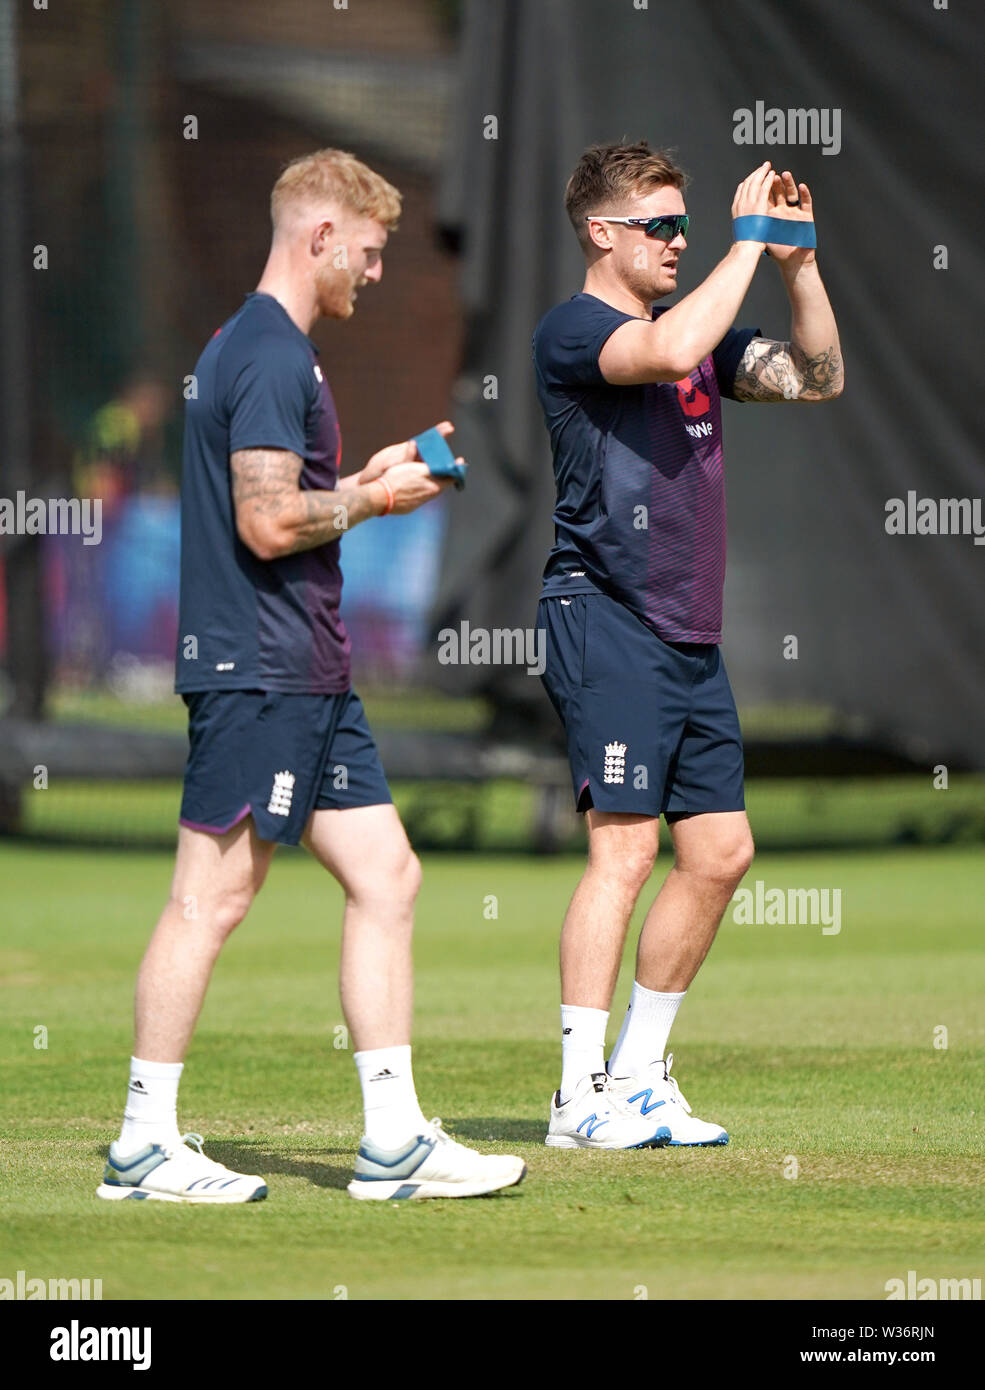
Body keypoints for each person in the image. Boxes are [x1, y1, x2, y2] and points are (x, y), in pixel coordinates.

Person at [97, 148, 525, 1203]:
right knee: (210, 897)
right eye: (369, 253)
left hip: (313, 673)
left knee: (388, 877)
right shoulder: (270, 353)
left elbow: (292, 492)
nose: (374, 274)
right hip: (261, 668)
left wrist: (365, 475)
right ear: (320, 235)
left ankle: (393, 1143)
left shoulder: (268, 351)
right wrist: (374, 504)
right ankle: (143, 1145)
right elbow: (267, 517)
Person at [532, 141, 843, 1149]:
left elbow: (817, 376)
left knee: (719, 850)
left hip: (686, 633)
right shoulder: (577, 331)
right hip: (606, 615)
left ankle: (638, 1077)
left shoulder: (696, 331)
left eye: (685, 223)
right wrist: (747, 244)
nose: (677, 239)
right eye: (658, 224)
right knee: (622, 850)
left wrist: (797, 265)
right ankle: (578, 1099)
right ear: (600, 231)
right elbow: (661, 355)